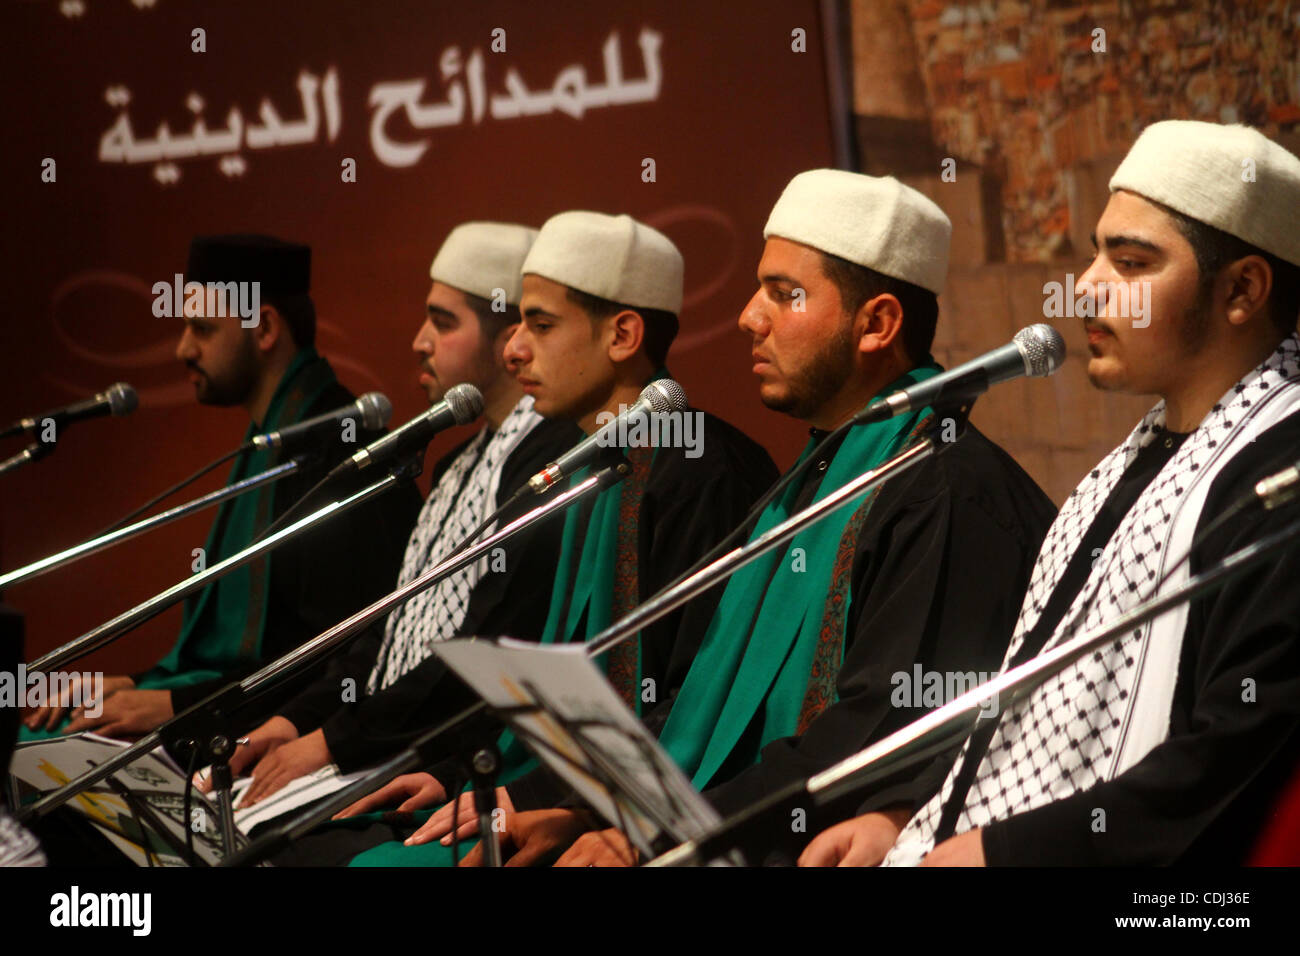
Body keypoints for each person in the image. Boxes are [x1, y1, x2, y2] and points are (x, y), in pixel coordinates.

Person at [451, 170, 1057, 867]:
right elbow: (697, 704)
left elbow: (872, 741)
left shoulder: (943, 487)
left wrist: (666, 836)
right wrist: (581, 811)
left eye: (784, 294)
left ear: (878, 324)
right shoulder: (811, 477)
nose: (748, 317)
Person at [800, 120, 1300, 867]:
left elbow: (1227, 760)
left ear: (1242, 291)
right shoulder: (1137, 461)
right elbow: (1028, 691)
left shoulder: (1279, 483)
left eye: (1131, 263)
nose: (1088, 286)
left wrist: (1002, 852)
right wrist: (907, 814)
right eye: (1097, 253)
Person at [290, 211, 778, 867]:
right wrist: (457, 768)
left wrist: (541, 797)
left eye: (540, 326)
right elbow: (549, 684)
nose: (515, 349)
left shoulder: (702, 471)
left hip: (646, 820)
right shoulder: (589, 462)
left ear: (623, 335)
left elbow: (702, 699)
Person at [212, 222, 582, 806]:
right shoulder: (457, 459)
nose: (419, 341)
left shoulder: (550, 462)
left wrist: (331, 743)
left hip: (437, 760)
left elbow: (477, 656)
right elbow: (391, 630)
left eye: (443, 322)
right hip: (375, 745)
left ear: (509, 339)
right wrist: (295, 722)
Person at [22, 234, 419, 741]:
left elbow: (336, 655)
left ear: (266, 327)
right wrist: (136, 685)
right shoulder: (273, 439)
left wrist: (177, 704)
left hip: (286, 740)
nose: (183, 348)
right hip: (224, 708)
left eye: (203, 329)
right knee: (41, 742)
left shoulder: (343, 454)